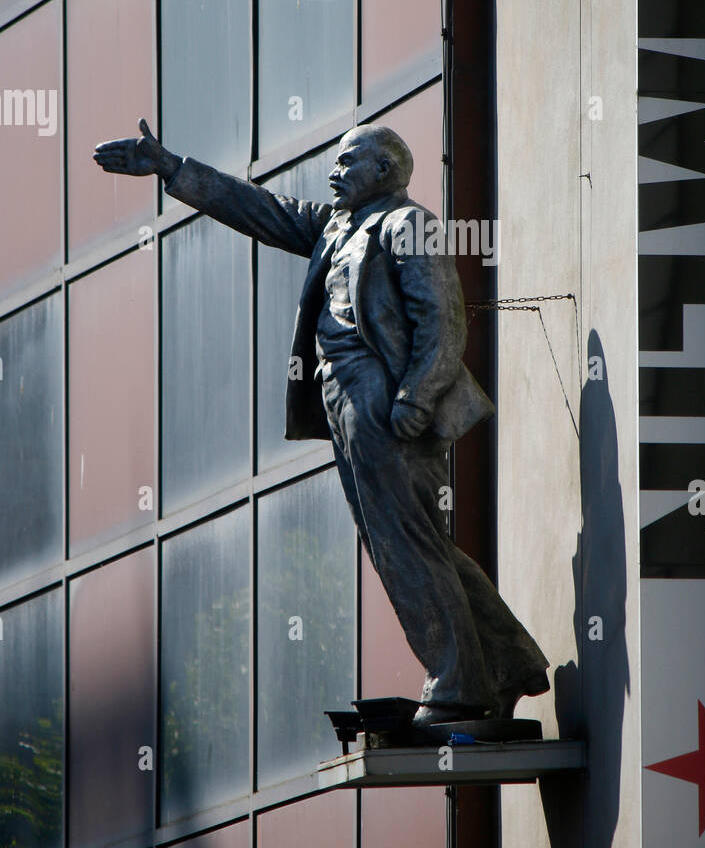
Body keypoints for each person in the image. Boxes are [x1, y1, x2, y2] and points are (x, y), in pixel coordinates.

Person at [94, 119, 549, 725]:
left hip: (381, 397)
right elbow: (260, 208)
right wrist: (174, 167)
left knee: (405, 542)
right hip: (341, 400)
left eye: (349, 161)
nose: (334, 172)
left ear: (384, 171)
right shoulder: (337, 226)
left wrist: (414, 397)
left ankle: (458, 687)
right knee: (406, 542)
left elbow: (444, 320)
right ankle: (507, 663)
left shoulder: (405, 224)